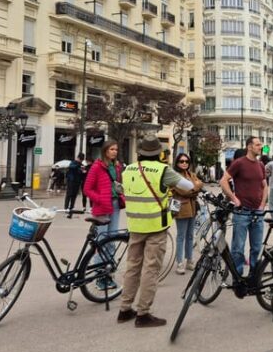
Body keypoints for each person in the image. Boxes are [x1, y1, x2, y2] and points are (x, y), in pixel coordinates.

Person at [118, 135, 193, 327]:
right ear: (158, 153)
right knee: (151, 269)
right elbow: (188, 185)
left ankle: (125, 309)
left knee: (132, 266)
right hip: (156, 226)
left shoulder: (128, 169)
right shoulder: (162, 170)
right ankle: (143, 313)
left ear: (140, 152)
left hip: (135, 224)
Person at [220, 137, 268, 276]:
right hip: (242, 212)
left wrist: (262, 204)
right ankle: (238, 276)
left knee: (256, 248)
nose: (261, 147)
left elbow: (264, 186)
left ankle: (253, 275)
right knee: (238, 248)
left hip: (257, 213)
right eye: (258, 144)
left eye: (261, 144)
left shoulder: (260, 165)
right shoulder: (239, 163)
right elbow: (223, 181)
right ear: (249, 147)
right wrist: (234, 198)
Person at [83, 140, 125, 290]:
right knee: (101, 242)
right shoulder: (96, 167)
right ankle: (99, 277)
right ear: (105, 150)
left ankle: (108, 274)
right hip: (101, 208)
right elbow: (87, 189)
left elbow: (118, 185)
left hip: (114, 205)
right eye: (112, 149)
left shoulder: (117, 166)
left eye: (116, 149)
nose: (114, 152)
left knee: (112, 240)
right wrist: (100, 198)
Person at [172, 154, 205, 274]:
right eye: (181, 161)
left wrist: (194, 188)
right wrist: (194, 188)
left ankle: (189, 260)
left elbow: (200, 184)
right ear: (177, 163)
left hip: (192, 208)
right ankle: (179, 262)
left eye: (186, 161)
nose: (184, 163)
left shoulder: (191, 174)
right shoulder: (175, 176)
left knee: (190, 235)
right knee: (181, 236)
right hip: (181, 208)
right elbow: (183, 191)